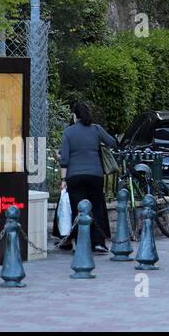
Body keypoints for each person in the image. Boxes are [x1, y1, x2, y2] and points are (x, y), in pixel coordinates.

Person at [58, 102, 116, 253]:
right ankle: (98, 243)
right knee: (97, 208)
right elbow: (112, 142)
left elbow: (64, 159)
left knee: (78, 210)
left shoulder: (68, 132)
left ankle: (80, 242)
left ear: (74, 115)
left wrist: (63, 180)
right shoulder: (96, 129)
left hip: (74, 176)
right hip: (95, 175)